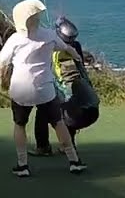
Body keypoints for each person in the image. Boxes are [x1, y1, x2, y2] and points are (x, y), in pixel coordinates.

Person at [0, 0, 86, 178]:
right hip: (45, 90)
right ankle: (74, 161)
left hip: (21, 90)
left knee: (20, 125)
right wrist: (78, 58)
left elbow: (2, 64)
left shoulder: (15, 39)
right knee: (58, 123)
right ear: (36, 16)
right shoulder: (49, 35)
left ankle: (22, 166)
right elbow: (67, 48)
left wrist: (2, 81)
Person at [32, 16, 100, 156]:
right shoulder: (76, 47)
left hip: (77, 115)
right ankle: (68, 145)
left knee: (45, 109)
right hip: (92, 112)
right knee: (68, 105)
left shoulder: (53, 49)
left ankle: (43, 147)